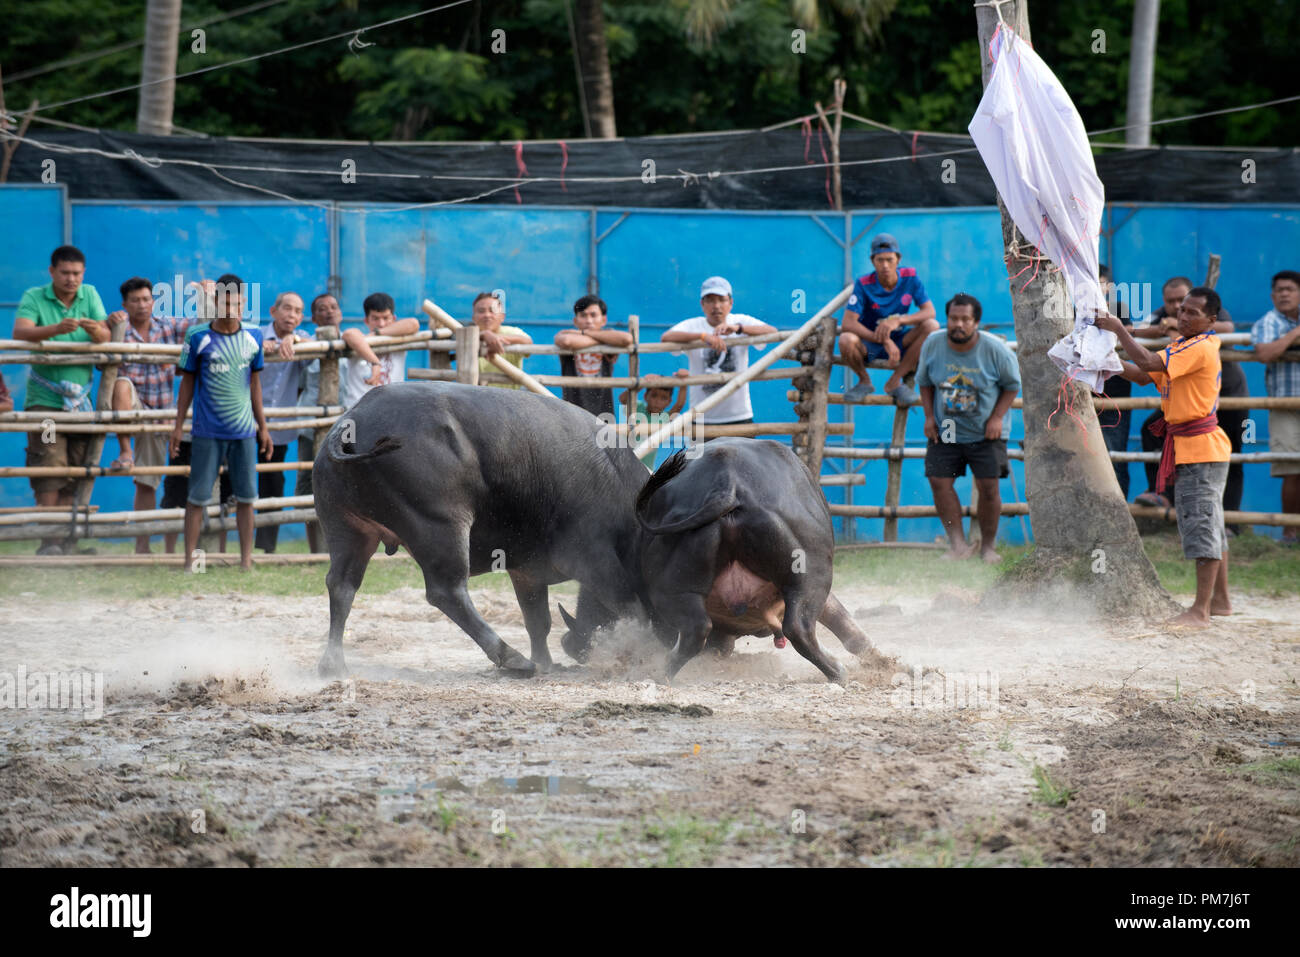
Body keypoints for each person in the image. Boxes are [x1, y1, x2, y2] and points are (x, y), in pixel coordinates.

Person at [1096, 287, 1231, 626]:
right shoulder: (1185, 344)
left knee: (1202, 525)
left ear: (1211, 321)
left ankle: (1200, 612)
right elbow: (1144, 375)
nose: (1184, 316)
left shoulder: (1199, 346)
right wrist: (1106, 362)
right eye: (1182, 310)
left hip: (1199, 447)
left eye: (1193, 313)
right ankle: (1220, 601)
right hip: (1196, 446)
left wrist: (1118, 330)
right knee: (1211, 523)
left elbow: (1149, 362)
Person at [13, 245, 111, 555]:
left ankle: (68, 543)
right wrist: (56, 329)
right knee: (49, 467)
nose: (71, 279)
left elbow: (106, 334)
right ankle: (49, 542)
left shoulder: (90, 294)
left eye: (77, 274)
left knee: (76, 469)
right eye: (65, 273)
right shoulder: (34, 296)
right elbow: (20, 332)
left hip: (80, 403)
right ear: (52, 272)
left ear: (83, 274)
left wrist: (97, 331)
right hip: (45, 403)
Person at [171, 274, 271, 572]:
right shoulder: (197, 336)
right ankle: (189, 562)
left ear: (244, 305)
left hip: (243, 432)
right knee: (197, 498)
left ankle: (246, 562)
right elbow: (186, 385)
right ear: (215, 303)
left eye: (237, 303)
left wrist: (262, 426)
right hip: (206, 431)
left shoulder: (254, 336)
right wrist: (178, 426)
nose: (231, 309)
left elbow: (255, 384)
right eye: (226, 302)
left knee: (246, 498)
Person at [916, 293, 1021, 563]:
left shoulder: (995, 350)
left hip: (986, 430)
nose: (958, 324)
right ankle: (958, 546)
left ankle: (988, 548)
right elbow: (925, 382)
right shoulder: (932, 343)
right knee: (939, 482)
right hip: (947, 427)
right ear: (947, 319)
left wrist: (997, 418)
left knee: (988, 487)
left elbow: (1012, 386)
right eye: (953, 318)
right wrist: (929, 417)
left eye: (965, 319)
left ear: (976, 323)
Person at [1133, 276, 1244, 524]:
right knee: (1152, 430)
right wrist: (1167, 326)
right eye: (1174, 305)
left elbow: (1228, 328)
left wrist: (1121, 331)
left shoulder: (1201, 334)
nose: (1178, 310)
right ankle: (1162, 494)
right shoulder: (1183, 336)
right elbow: (1140, 331)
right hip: (1186, 399)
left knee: (1233, 458)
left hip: (1226, 393)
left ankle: (1231, 521)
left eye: (1187, 309)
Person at [105, 277, 195, 553]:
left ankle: (145, 545)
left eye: (146, 299)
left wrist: (206, 295)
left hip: (161, 413)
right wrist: (107, 324)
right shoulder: (119, 328)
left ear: (153, 302)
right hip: (131, 405)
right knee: (120, 384)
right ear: (125, 304)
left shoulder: (167, 325)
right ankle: (125, 451)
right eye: (135, 300)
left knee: (147, 481)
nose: (142, 305)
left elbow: (203, 326)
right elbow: (97, 344)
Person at [662, 276, 776, 433]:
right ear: (702, 304)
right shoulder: (694, 325)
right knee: (699, 458)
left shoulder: (740, 321)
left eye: (721, 300)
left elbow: (772, 331)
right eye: (710, 300)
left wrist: (738, 328)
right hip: (701, 416)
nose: (716, 306)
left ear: (731, 303)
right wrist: (702, 336)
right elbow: (666, 337)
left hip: (739, 415)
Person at [838, 233, 939, 405]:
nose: (885, 265)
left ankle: (894, 381)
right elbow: (848, 322)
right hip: (869, 344)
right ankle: (864, 381)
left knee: (931, 326)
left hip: (901, 340)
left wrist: (899, 321)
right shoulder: (863, 284)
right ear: (872, 261)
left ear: (898, 259)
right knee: (846, 339)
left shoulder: (910, 277)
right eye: (880, 260)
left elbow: (929, 311)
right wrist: (884, 340)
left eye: (889, 259)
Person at [254, 292, 310, 553]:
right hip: (246, 424)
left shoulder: (303, 341)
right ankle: (215, 546)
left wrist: (293, 338)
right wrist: (260, 345)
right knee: (231, 483)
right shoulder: (253, 335)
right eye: (286, 308)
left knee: (272, 486)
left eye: (298, 311)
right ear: (273, 311)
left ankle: (266, 549)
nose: (292, 314)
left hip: (279, 429)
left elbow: (311, 347)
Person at [1250, 269, 1300, 544]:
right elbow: (1266, 353)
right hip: (1284, 404)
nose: (1284, 294)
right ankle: (1289, 532)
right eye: (1279, 290)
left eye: (1289, 289)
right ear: (1272, 295)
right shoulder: (1268, 321)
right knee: (1291, 468)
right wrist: (1295, 334)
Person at [295, 293, 341, 553]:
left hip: (345, 428)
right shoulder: (307, 345)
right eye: (322, 309)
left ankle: (341, 547)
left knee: (341, 484)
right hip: (310, 426)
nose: (329, 312)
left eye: (333, 307)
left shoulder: (351, 341)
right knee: (307, 481)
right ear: (312, 317)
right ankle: (315, 549)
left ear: (341, 313)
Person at [555, 295, 633, 416]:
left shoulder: (609, 336)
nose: (589, 320)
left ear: (604, 320)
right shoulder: (567, 334)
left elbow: (626, 339)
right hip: (572, 412)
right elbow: (566, 341)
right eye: (583, 315)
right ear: (575, 321)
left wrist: (584, 333)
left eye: (593, 315)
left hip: (603, 412)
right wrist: (602, 338)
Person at [339, 293, 420, 409]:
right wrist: (375, 362)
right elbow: (349, 334)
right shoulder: (360, 342)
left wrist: (377, 333)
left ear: (394, 318)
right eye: (375, 318)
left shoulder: (399, 340)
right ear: (366, 320)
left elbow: (413, 323)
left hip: (393, 409)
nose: (381, 324)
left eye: (386, 318)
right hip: (359, 412)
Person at [1096, 265, 1134, 497]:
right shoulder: (1069, 312)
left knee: (1115, 454)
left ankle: (1121, 515)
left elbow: (1129, 335)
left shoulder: (1118, 309)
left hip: (1115, 396)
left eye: (1097, 283)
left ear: (1108, 287)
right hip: (1082, 396)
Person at [618, 373, 688, 469]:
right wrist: (643, 383)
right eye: (654, 396)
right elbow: (623, 399)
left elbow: (679, 405)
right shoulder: (637, 407)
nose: (657, 401)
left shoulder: (664, 417)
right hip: (623, 462)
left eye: (663, 398)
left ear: (669, 402)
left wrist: (683, 383)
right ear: (646, 396)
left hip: (646, 468)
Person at [470, 292, 532, 386]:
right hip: (474, 396)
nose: (487, 315)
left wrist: (496, 338)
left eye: (492, 310)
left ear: (502, 317)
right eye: (481, 311)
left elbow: (528, 342)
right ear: (474, 318)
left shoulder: (512, 332)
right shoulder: (467, 334)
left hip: (510, 397)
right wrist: (484, 334)